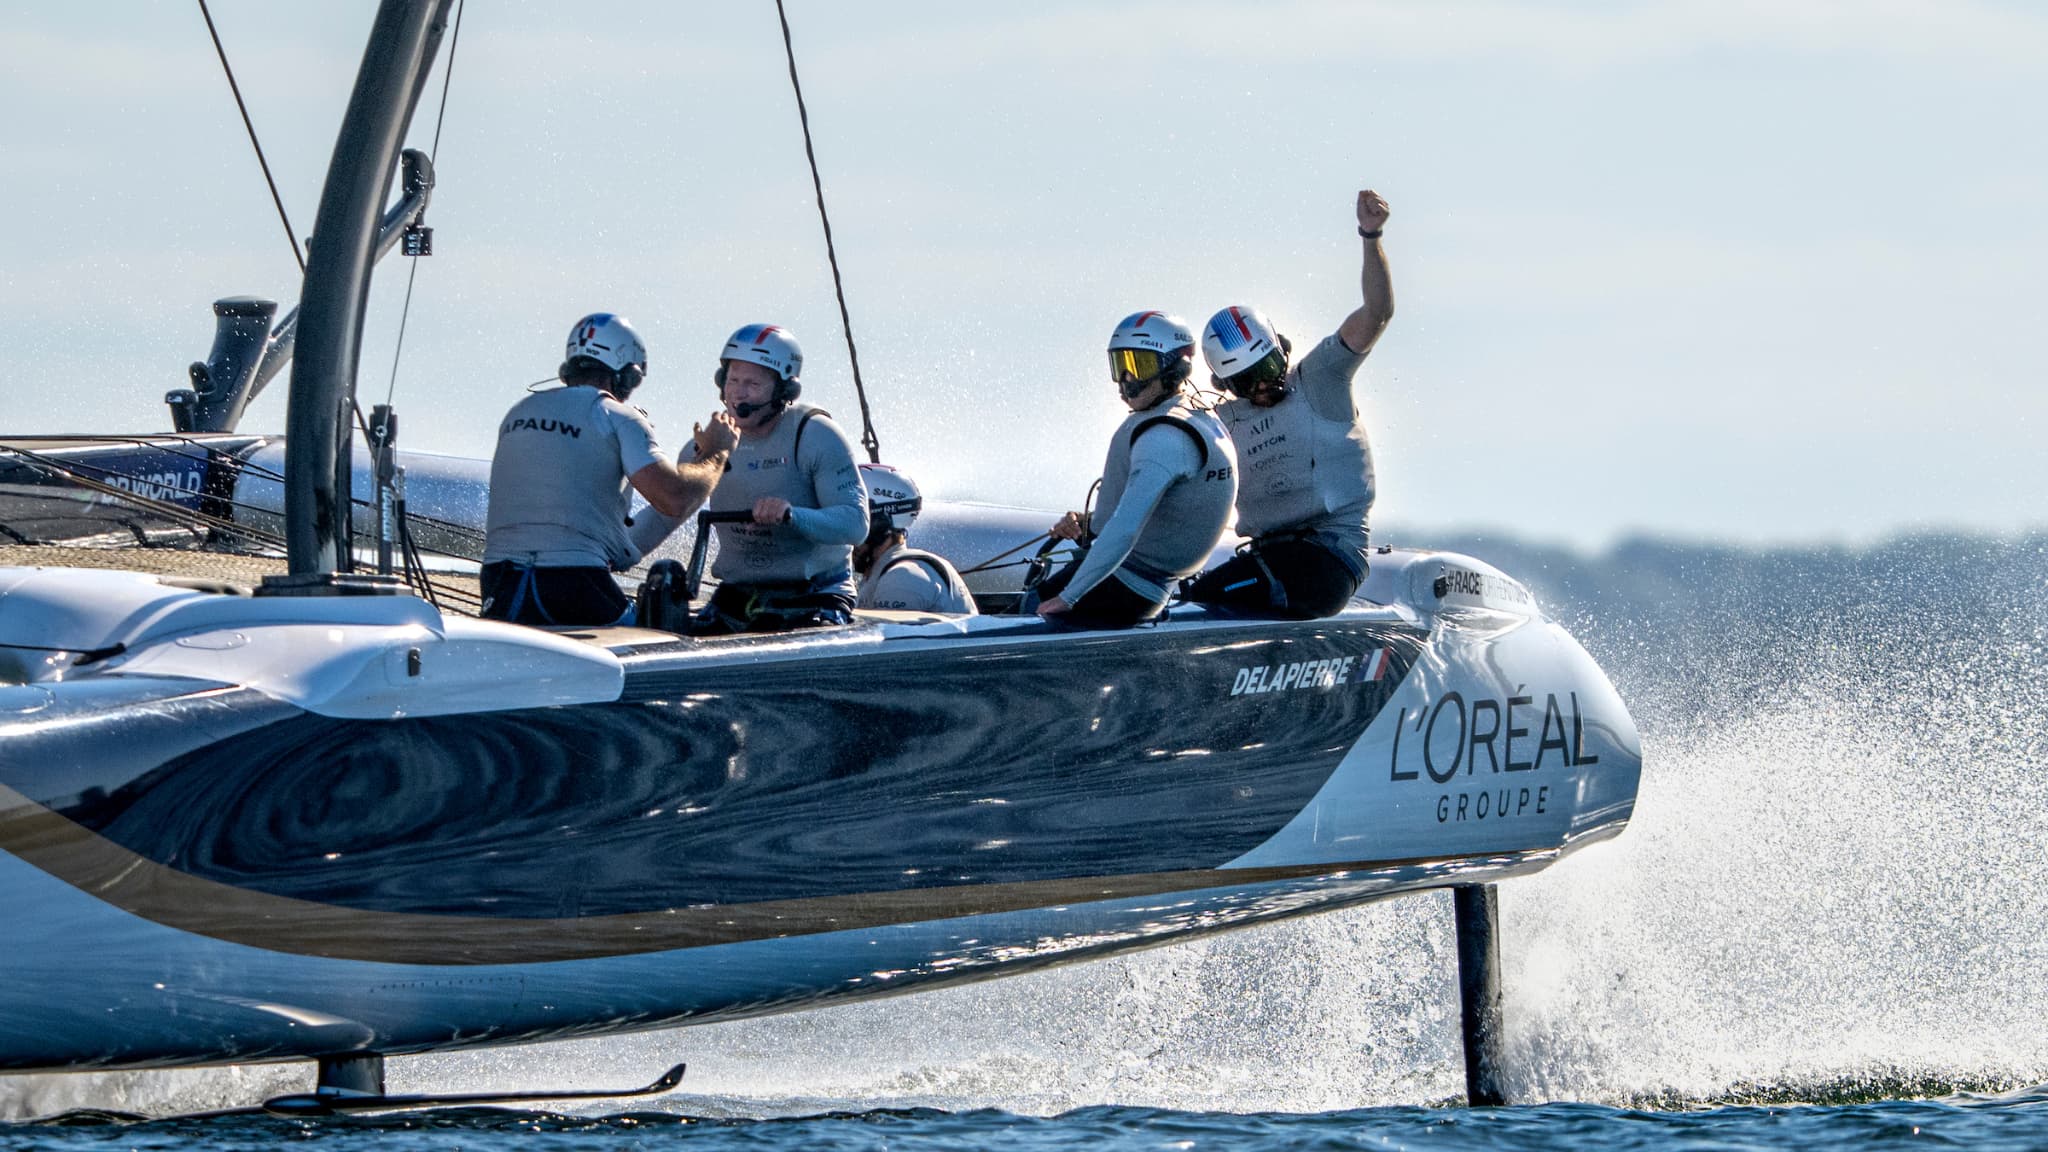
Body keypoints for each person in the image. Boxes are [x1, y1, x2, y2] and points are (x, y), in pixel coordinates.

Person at [1182, 189, 1395, 619]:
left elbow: (1377, 313)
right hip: (1267, 558)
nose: (1260, 388)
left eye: (1266, 371)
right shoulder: (1221, 423)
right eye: (1244, 382)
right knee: (1184, 598)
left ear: (1282, 351)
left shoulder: (1321, 378)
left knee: (1198, 601)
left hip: (1329, 558)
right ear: (1224, 383)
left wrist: (1370, 236)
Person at [481, 313, 736, 627]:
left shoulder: (519, 412)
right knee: (664, 627)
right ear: (627, 376)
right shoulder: (618, 416)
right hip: (574, 583)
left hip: (499, 581)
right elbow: (675, 500)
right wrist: (718, 451)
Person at [1035, 311, 1235, 629]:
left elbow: (1126, 529)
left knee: (1031, 602)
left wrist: (1068, 597)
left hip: (1125, 589)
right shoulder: (1194, 417)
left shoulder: (1165, 438)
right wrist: (1088, 523)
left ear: (1173, 369)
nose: (1127, 380)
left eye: (1139, 366)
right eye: (1120, 366)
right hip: (1131, 582)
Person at [685, 323, 869, 634]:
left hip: (816, 595)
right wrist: (619, 556)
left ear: (784, 391)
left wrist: (792, 515)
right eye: (732, 381)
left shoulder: (815, 435)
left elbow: (856, 524)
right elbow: (668, 510)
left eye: (753, 384)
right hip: (740, 594)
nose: (738, 393)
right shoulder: (710, 442)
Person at [853, 462, 977, 616]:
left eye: (852, 521)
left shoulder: (901, 577)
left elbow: (891, 639)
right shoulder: (880, 574)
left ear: (878, 524)